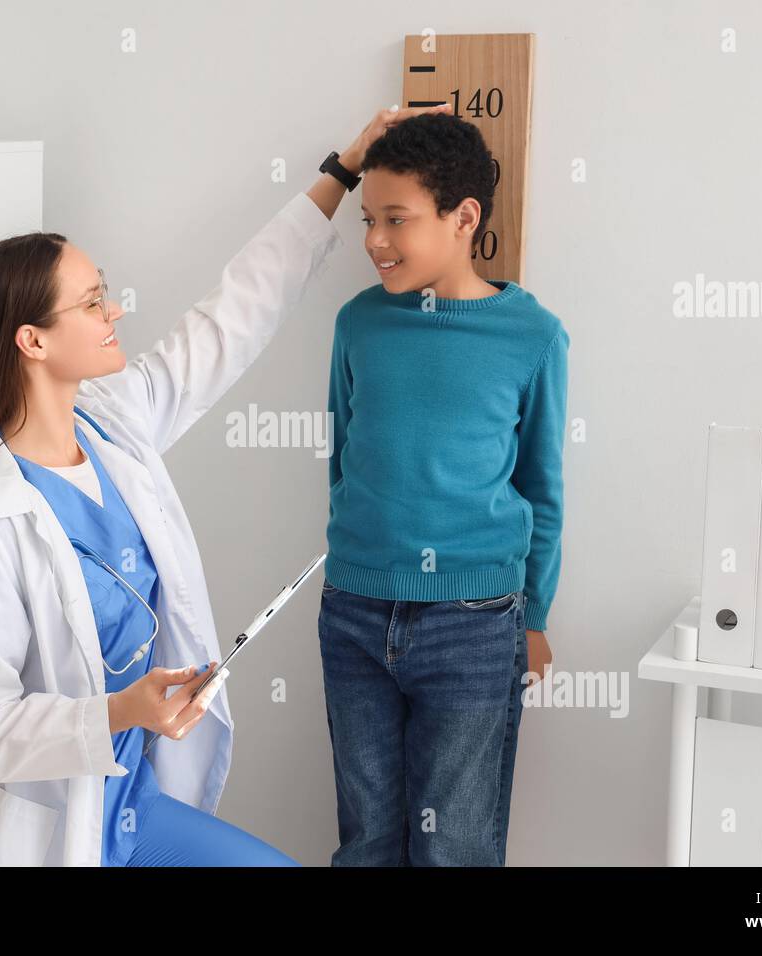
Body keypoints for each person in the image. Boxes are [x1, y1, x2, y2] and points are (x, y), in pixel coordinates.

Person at [0, 104, 454, 866]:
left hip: (130, 805)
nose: (113, 309)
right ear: (33, 341)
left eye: (105, 291)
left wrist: (342, 171)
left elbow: (233, 316)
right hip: (47, 830)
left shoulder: (115, 424)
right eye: (91, 302)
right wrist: (122, 709)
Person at [319, 112, 570, 865]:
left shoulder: (532, 336)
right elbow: (341, 458)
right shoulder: (358, 323)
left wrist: (535, 616)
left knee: (453, 844)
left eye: (396, 220)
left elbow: (542, 486)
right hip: (354, 616)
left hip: (475, 625)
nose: (373, 241)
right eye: (368, 220)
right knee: (365, 840)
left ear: (464, 218)